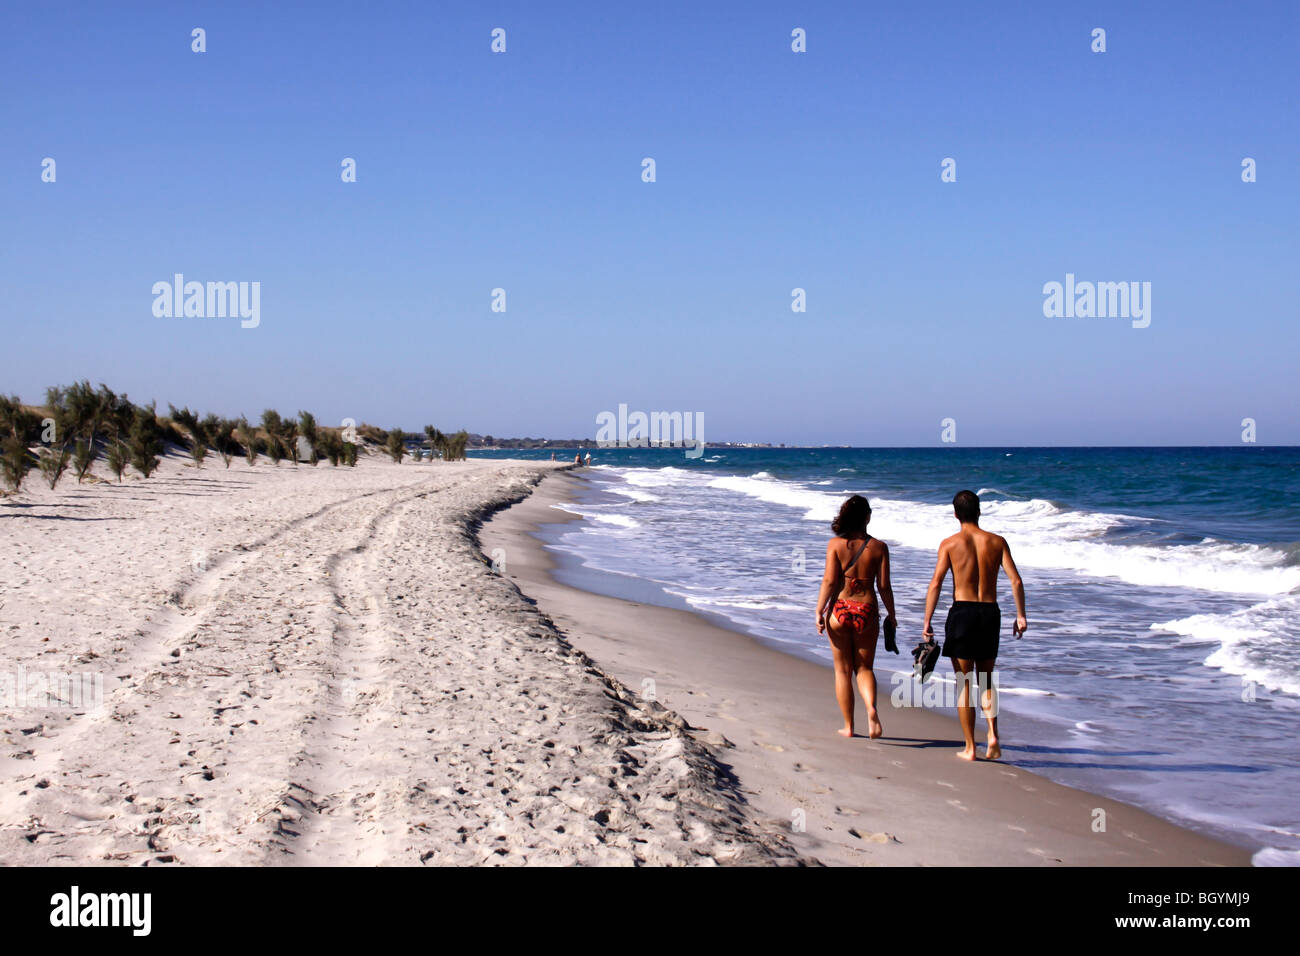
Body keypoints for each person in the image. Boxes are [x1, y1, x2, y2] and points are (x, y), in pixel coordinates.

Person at [921, 490, 1027, 761]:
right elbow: (1015, 581)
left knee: (965, 684)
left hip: (963, 613)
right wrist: (1021, 615)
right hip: (990, 613)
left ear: (955, 514)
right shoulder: (997, 542)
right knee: (987, 680)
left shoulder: (949, 544)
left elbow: (936, 583)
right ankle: (992, 734)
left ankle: (970, 748)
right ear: (979, 511)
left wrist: (927, 620)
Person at [816, 495, 896, 738]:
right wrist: (892, 614)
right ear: (868, 517)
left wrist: (819, 610)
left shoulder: (835, 545)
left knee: (842, 671)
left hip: (839, 610)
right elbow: (884, 586)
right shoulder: (880, 548)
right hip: (867, 611)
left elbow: (830, 581)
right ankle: (871, 709)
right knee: (864, 669)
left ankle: (849, 727)